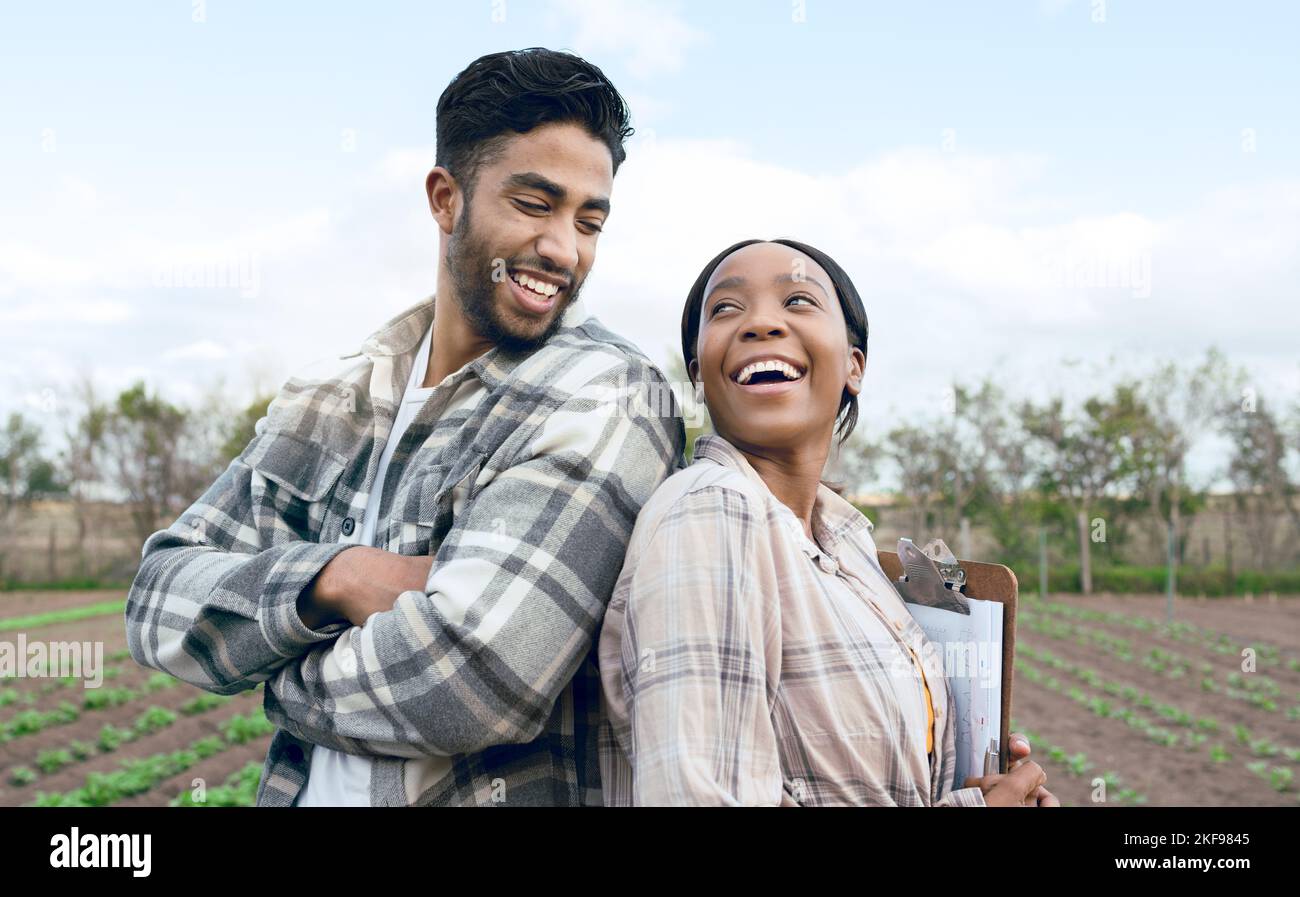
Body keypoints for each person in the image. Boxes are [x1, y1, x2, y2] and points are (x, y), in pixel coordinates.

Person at [126, 48, 684, 806]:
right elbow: (155, 598)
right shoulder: (333, 395)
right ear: (445, 199)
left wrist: (266, 664)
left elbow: (476, 679)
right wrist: (337, 578)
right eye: (533, 203)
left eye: (589, 220)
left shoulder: (605, 392)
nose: (564, 248)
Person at [598, 238, 1057, 806]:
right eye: (726, 309)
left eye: (797, 301)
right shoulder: (712, 511)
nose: (761, 323)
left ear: (853, 366)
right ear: (698, 374)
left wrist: (971, 792)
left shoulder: (851, 548)